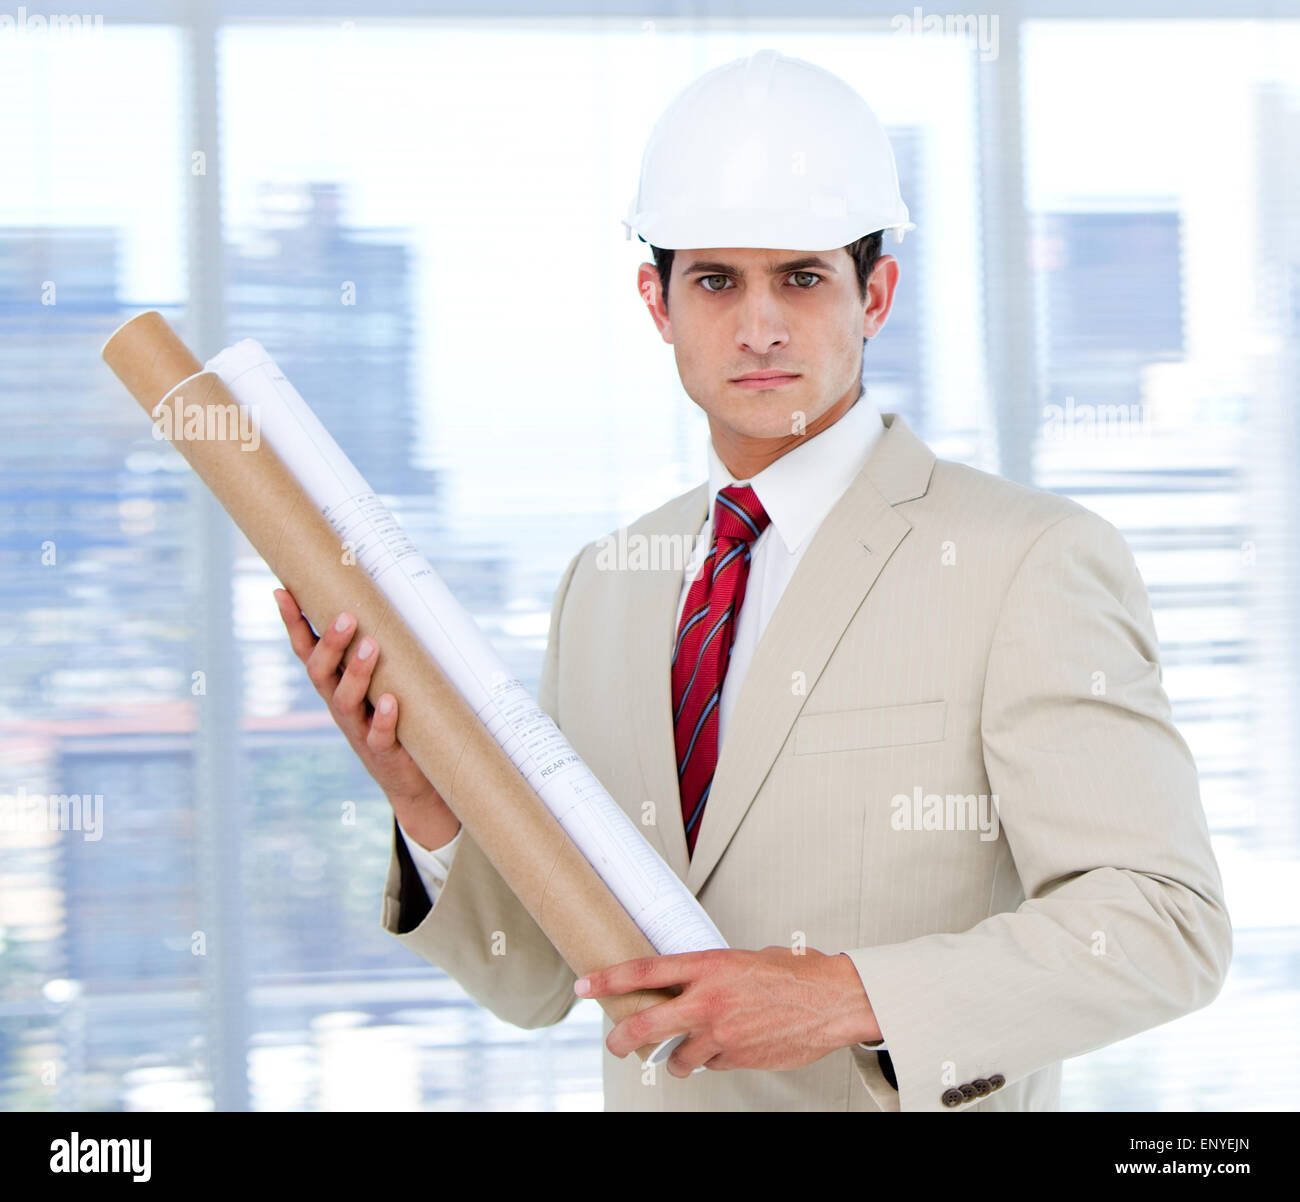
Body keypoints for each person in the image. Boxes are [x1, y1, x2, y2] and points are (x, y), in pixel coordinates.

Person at [274, 49, 1231, 1111]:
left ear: (877, 293)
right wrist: (423, 795)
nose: (760, 324)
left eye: (803, 277)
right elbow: (542, 979)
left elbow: (1163, 923)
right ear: (657, 301)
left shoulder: (1026, 560)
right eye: (717, 280)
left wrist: (842, 994)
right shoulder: (606, 588)